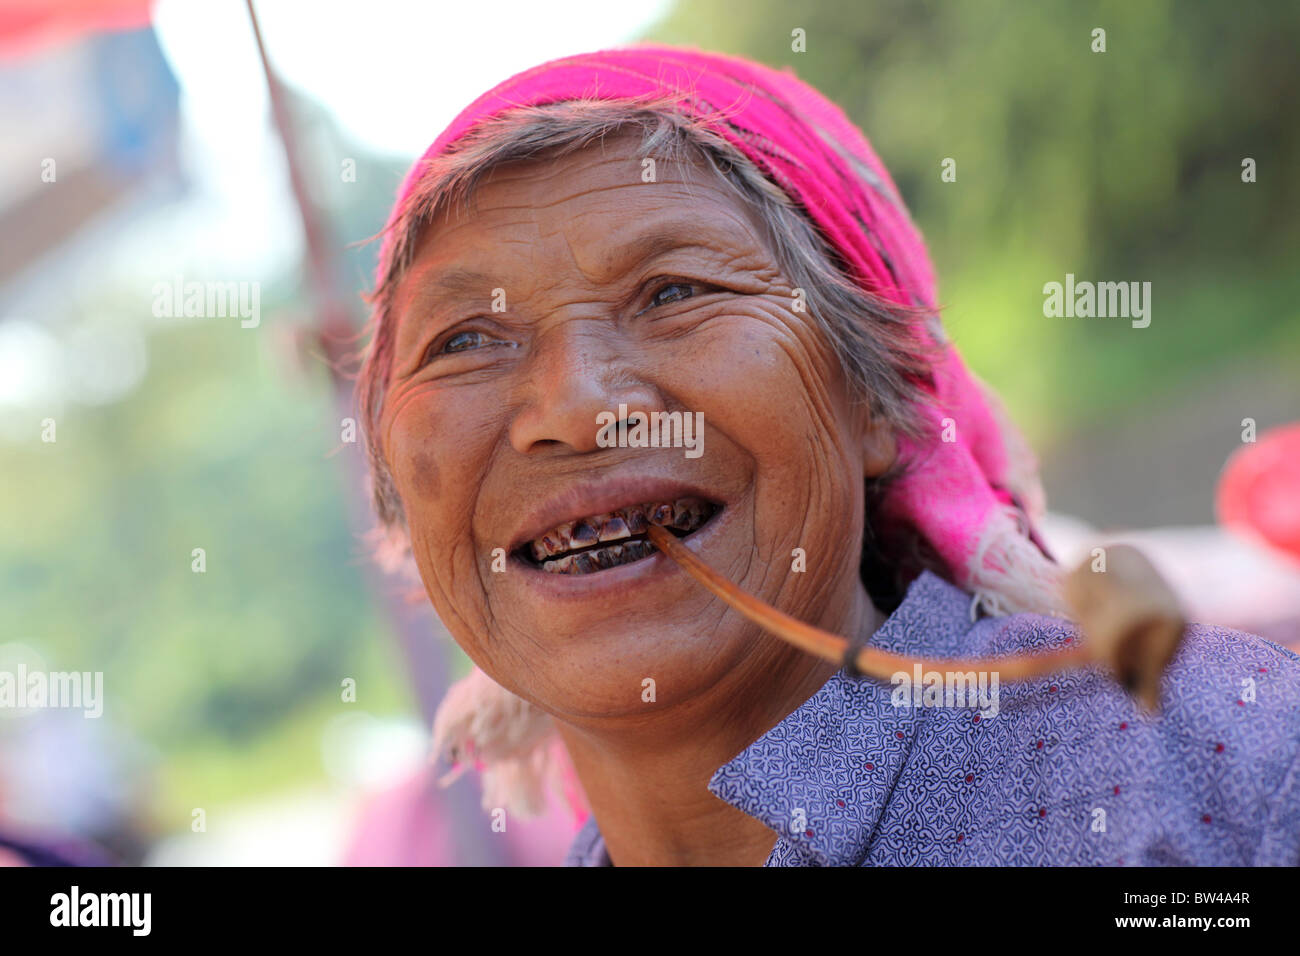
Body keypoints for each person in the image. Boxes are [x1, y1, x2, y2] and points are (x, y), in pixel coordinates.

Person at [355, 46, 1300, 866]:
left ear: (876, 402)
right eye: (466, 340)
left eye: (674, 290)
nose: (575, 409)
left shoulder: (1226, 780)